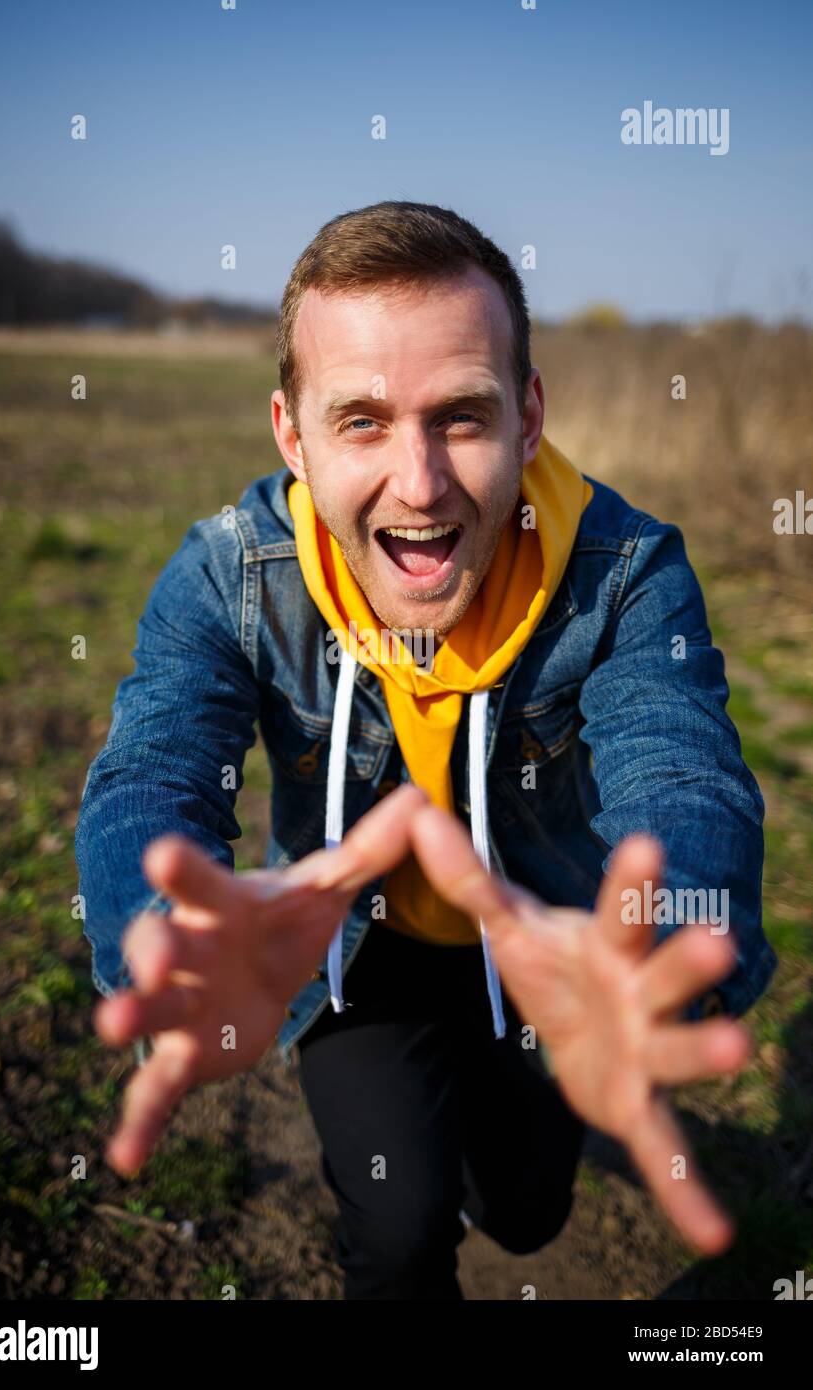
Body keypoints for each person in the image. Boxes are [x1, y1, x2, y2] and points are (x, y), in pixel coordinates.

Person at [75, 200, 777, 1300]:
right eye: (360, 420)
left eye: (460, 415)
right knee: (397, 1237)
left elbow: (682, 775)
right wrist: (164, 933)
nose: (418, 483)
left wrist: (646, 947)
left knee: (528, 1215)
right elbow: (152, 773)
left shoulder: (627, 571)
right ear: (289, 434)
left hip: (550, 945)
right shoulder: (225, 575)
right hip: (357, 954)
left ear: (528, 416)